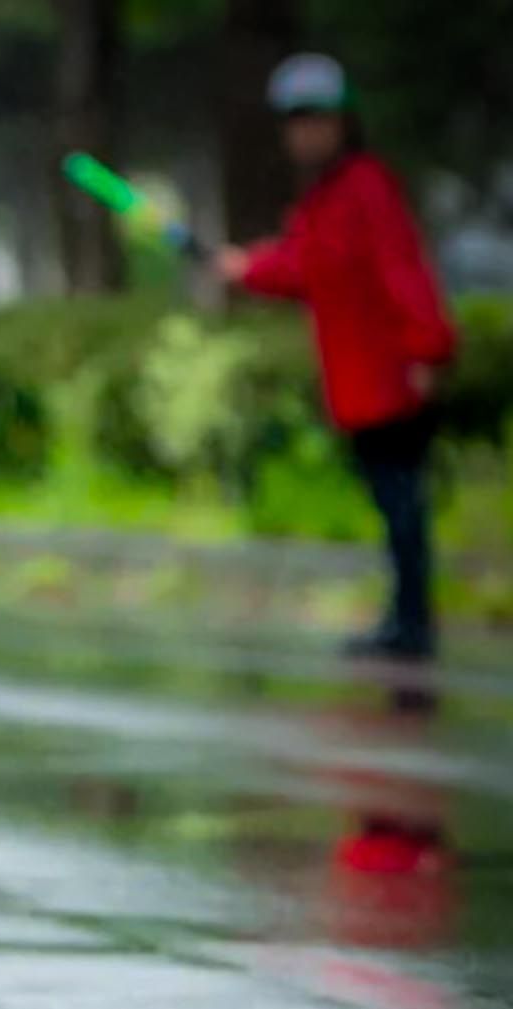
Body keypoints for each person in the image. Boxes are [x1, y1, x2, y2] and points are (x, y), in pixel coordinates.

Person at [217, 53, 457, 662]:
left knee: (403, 504)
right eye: (297, 122)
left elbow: (403, 269)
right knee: (391, 502)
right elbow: (305, 267)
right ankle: (403, 618)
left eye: (318, 119)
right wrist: (246, 269)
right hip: (357, 381)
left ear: (343, 122)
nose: (307, 132)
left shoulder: (366, 187)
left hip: (393, 374)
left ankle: (412, 624)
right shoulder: (323, 200)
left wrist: (427, 348)